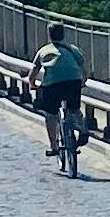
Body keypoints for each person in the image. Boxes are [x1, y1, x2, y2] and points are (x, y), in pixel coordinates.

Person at [31, 25, 87, 159]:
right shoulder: (73, 49)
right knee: (74, 109)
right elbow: (83, 67)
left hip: (52, 85)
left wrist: (32, 84)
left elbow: (34, 72)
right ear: (63, 34)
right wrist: (82, 82)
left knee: (50, 114)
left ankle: (53, 146)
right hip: (73, 82)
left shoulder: (44, 50)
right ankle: (82, 129)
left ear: (49, 35)